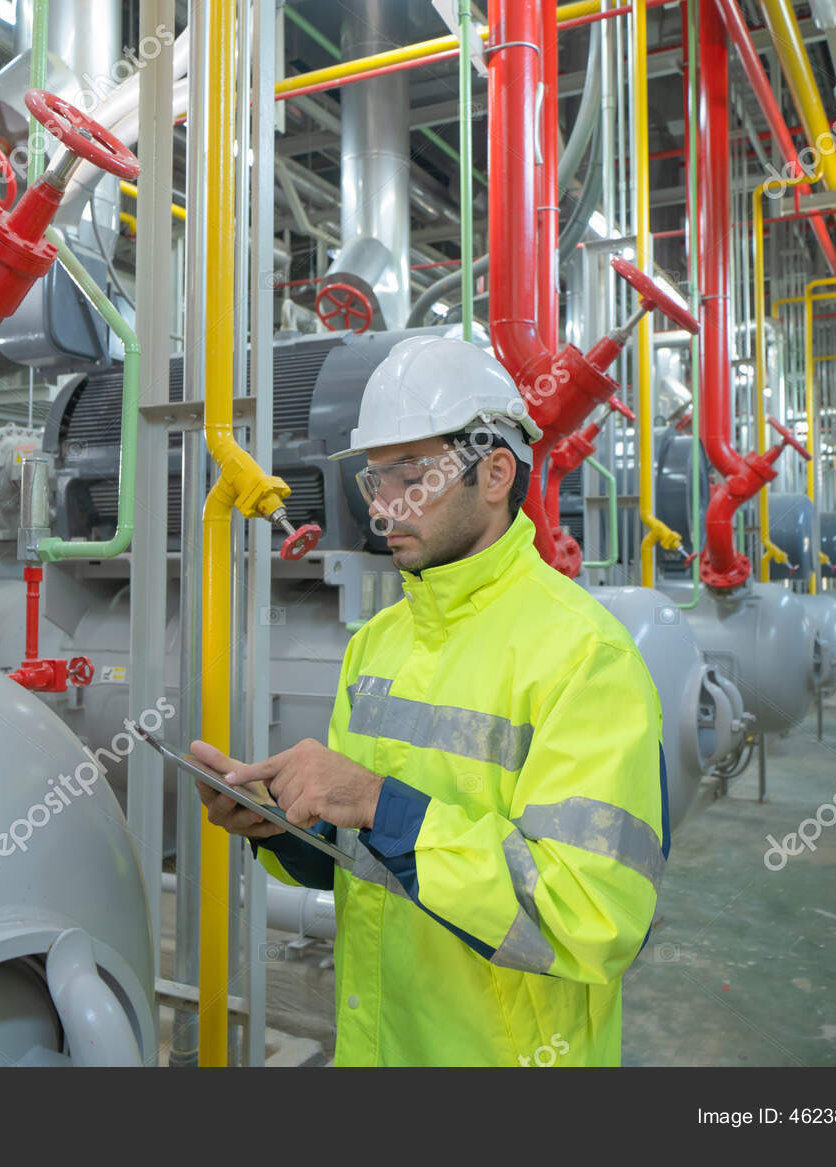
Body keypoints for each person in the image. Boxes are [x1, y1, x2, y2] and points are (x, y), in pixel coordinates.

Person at [191, 335, 666, 1066]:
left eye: (411, 475)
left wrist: (381, 800)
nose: (384, 507)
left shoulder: (585, 656)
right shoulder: (376, 645)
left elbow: (590, 916)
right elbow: (367, 858)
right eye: (374, 480)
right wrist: (278, 829)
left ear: (496, 472)